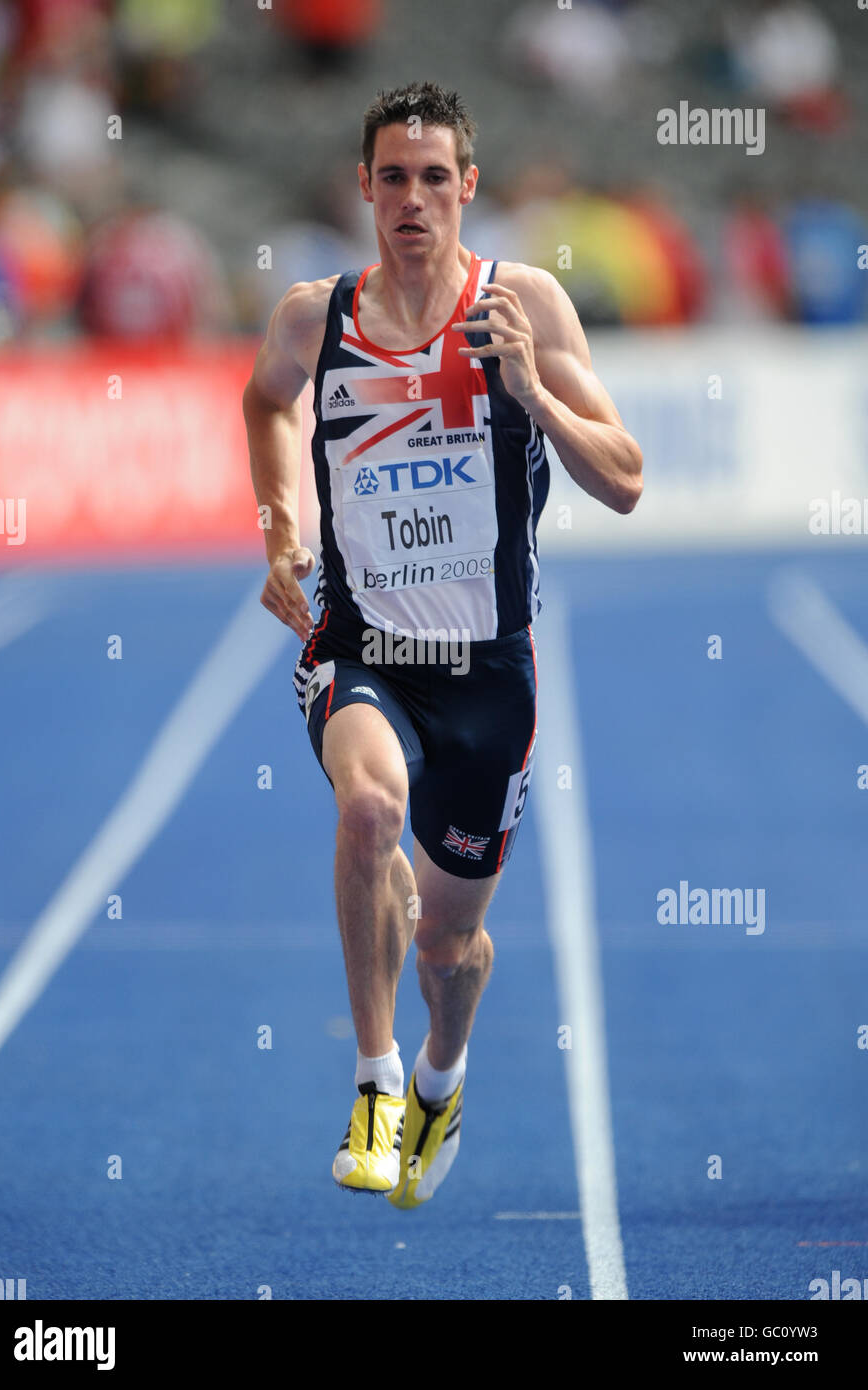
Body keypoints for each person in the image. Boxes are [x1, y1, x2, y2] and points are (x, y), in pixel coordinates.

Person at [243, 81, 642, 1208]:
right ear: (364, 187)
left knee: (449, 950)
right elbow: (266, 404)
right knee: (367, 808)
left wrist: (532, 394)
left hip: (487, 674)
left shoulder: (524, 307)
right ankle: (373, 1080)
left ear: (467, 188)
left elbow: (624, 480)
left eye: (433, 177)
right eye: (391, 177)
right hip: (361, 643)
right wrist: (281, 526)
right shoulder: (312, 318)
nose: (411, 197)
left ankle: (439, 1074)